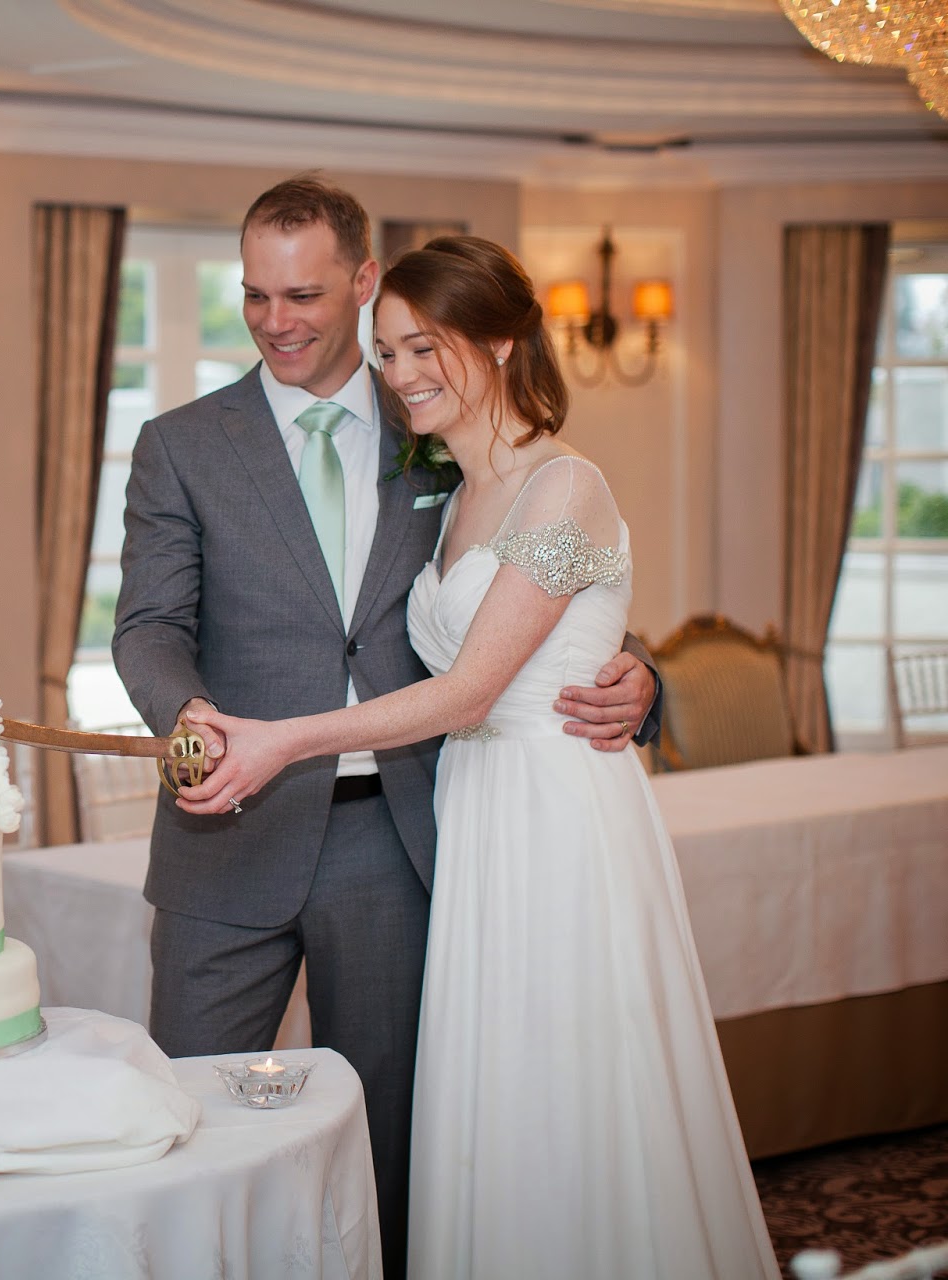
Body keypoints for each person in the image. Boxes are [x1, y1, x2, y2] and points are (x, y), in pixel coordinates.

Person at [175, 235, 779, 1279]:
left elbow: (472, 688)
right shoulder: (447, 494)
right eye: (389, 352)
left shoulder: (565, 486)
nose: (401, 372)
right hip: (472, 808)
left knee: (569, 1066)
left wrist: (283, 738)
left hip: (557, 810)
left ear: (500, 341)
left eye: (426, 347)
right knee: (496, 1073)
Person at [111, 176, 660, 1274]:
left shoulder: (437, 434)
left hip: (403, 841)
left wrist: (640, 672)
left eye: (303, 294)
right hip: (231, 839)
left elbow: (545, 587)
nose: (275, 320)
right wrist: (190, 714)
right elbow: (148, 626)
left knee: (403, 1138)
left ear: (363, 281)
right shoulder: (181, 443)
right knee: (184, 1120)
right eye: (255, 294)